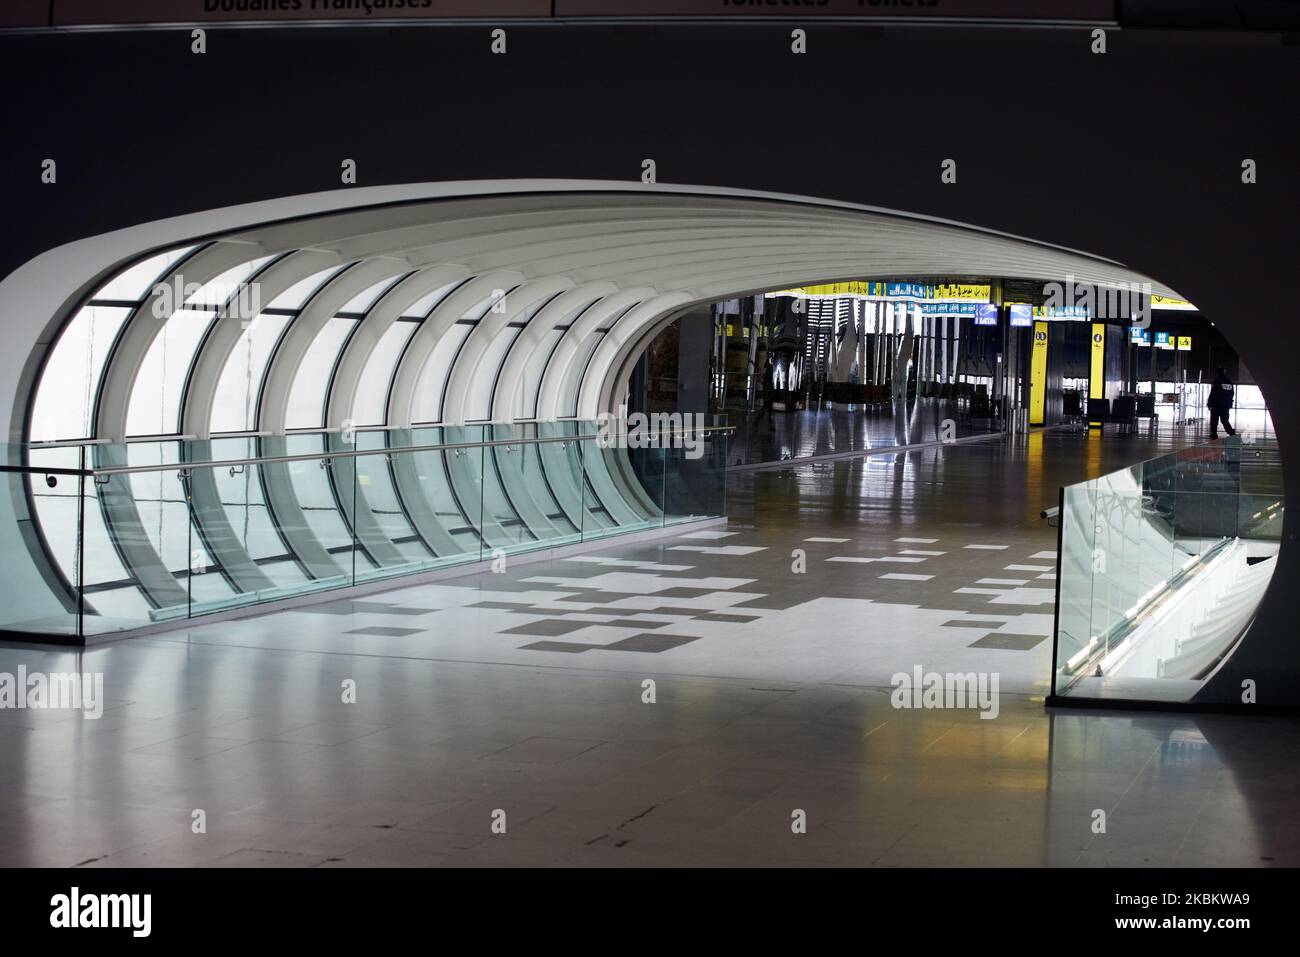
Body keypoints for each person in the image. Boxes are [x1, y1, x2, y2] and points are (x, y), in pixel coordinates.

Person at [1207, 366, 1237, 438]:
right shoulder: (1229, 382)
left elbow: (1213, 393)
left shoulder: (1217, 381)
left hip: (1217, 404)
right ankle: (1230, 431)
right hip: (1226, 405)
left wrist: (1209, 403)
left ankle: (1214, 434)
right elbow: (1232, 393)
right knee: (1224, 420)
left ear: (1218, 373)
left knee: (1214, 420)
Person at [754, 356, 776, 428]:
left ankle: (759, 421)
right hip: (768, 394)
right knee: (767, 409)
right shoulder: (768, 377)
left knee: (768, 409)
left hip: (768, 393)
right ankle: (758, 420)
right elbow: (767, 386)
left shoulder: (766, 377)